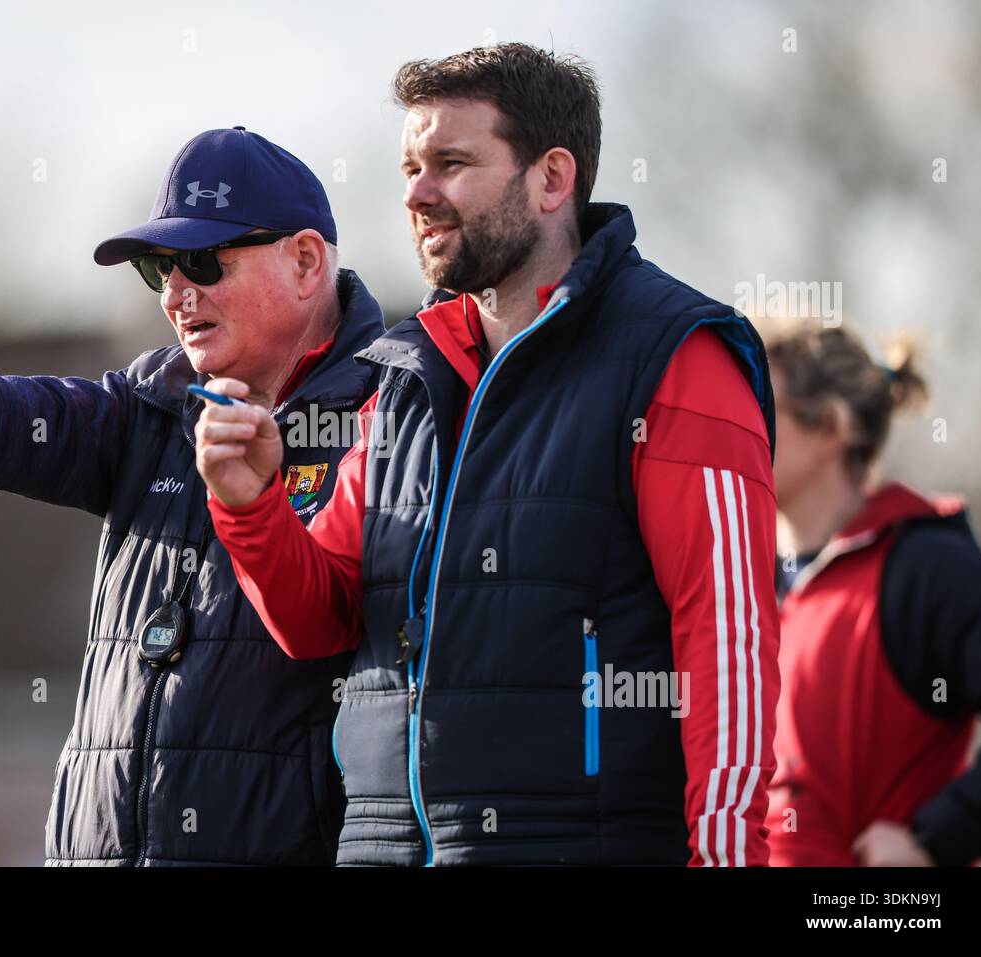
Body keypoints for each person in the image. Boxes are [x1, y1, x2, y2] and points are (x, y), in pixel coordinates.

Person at [194, 44, 781, 865]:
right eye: (409, 166)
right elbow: (319, 620)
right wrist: (250, 505)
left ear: (551, 179)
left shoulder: (678, 355)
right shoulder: (403, 377)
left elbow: (729, 645)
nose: (415, 193)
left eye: (451, 163)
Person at [0, 127, 386, 866]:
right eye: (159, 269)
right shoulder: (150, 409)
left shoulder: (394, 416)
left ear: (306, 261)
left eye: (202, 261)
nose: (177, 292)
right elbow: (8, 417)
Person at [761, 319, 981, 866]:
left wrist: (932, 841)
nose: (731, 426)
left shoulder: (927, 566)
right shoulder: (734, 584)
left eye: (759, 405)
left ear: (832, 426)